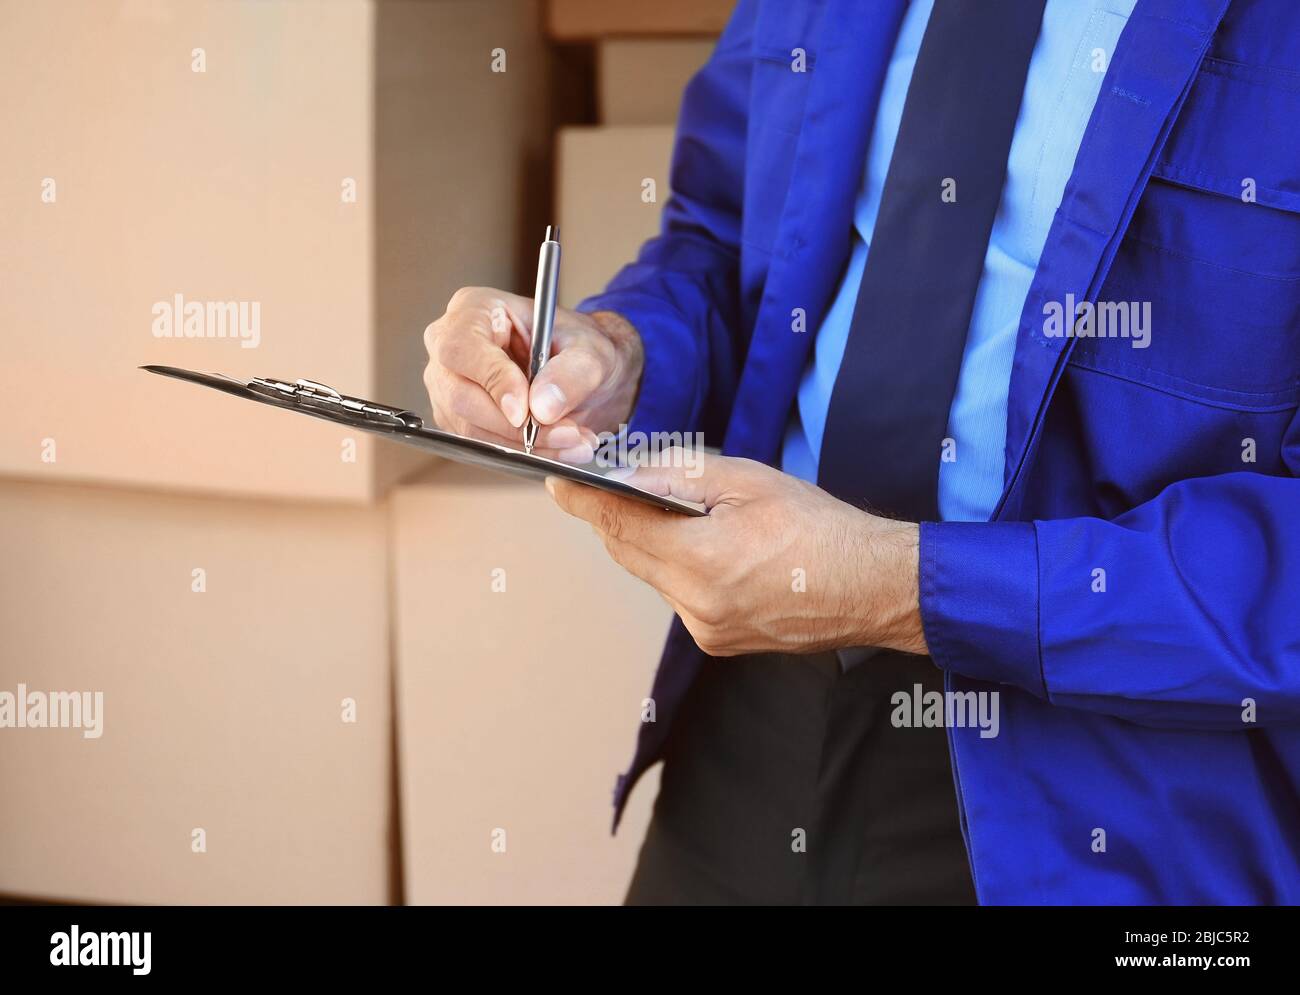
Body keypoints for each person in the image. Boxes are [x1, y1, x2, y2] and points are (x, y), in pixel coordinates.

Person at [422, 0, 1300, 904]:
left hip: (1121, 802)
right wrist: (619, 351)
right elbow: (725, 243)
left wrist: (898, 584)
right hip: (754, 707)